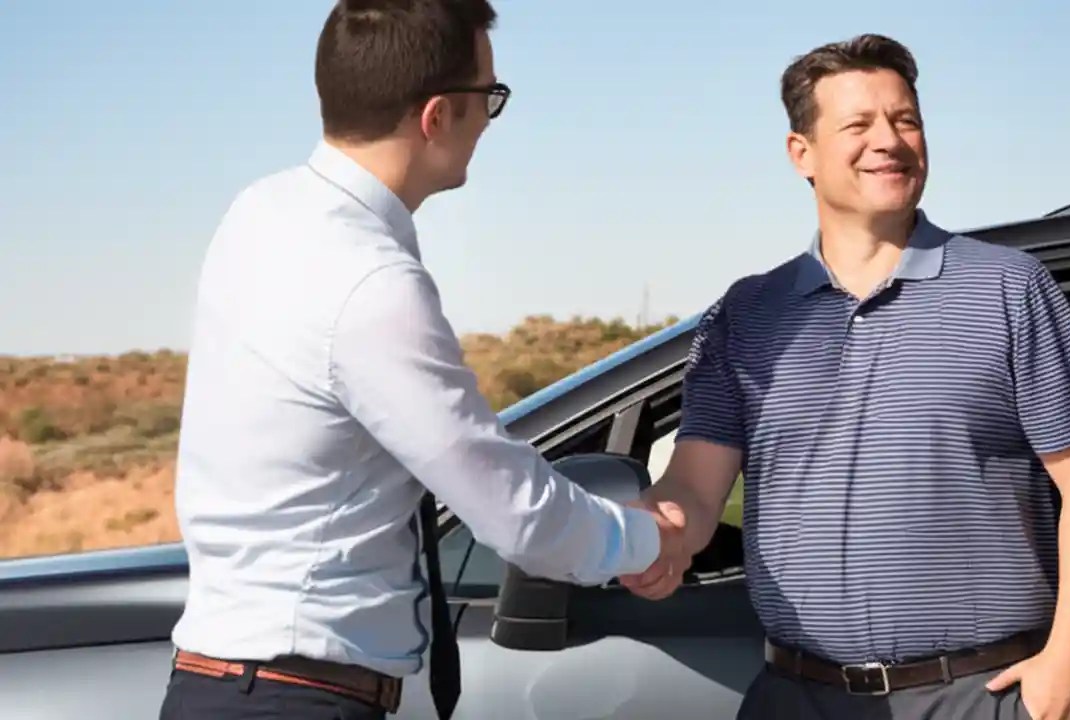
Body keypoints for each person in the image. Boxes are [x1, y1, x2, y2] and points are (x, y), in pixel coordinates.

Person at [161, 2, 684, 719]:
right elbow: (514, 514)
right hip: (297, 698)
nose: (490, 121)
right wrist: (651, 539)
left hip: (218, 683)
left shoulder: (261, 213)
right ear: (438, 116)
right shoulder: (369, 281)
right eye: (489, 98)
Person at [620, 34, 1070, 720]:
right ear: (801, 153)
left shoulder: (1008, 288)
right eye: (858, 125)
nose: (888, 140)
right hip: (793, 698)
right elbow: (694, 486)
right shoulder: (746, 314)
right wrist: (663, 533)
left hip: (978, 696)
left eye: (906, 120)